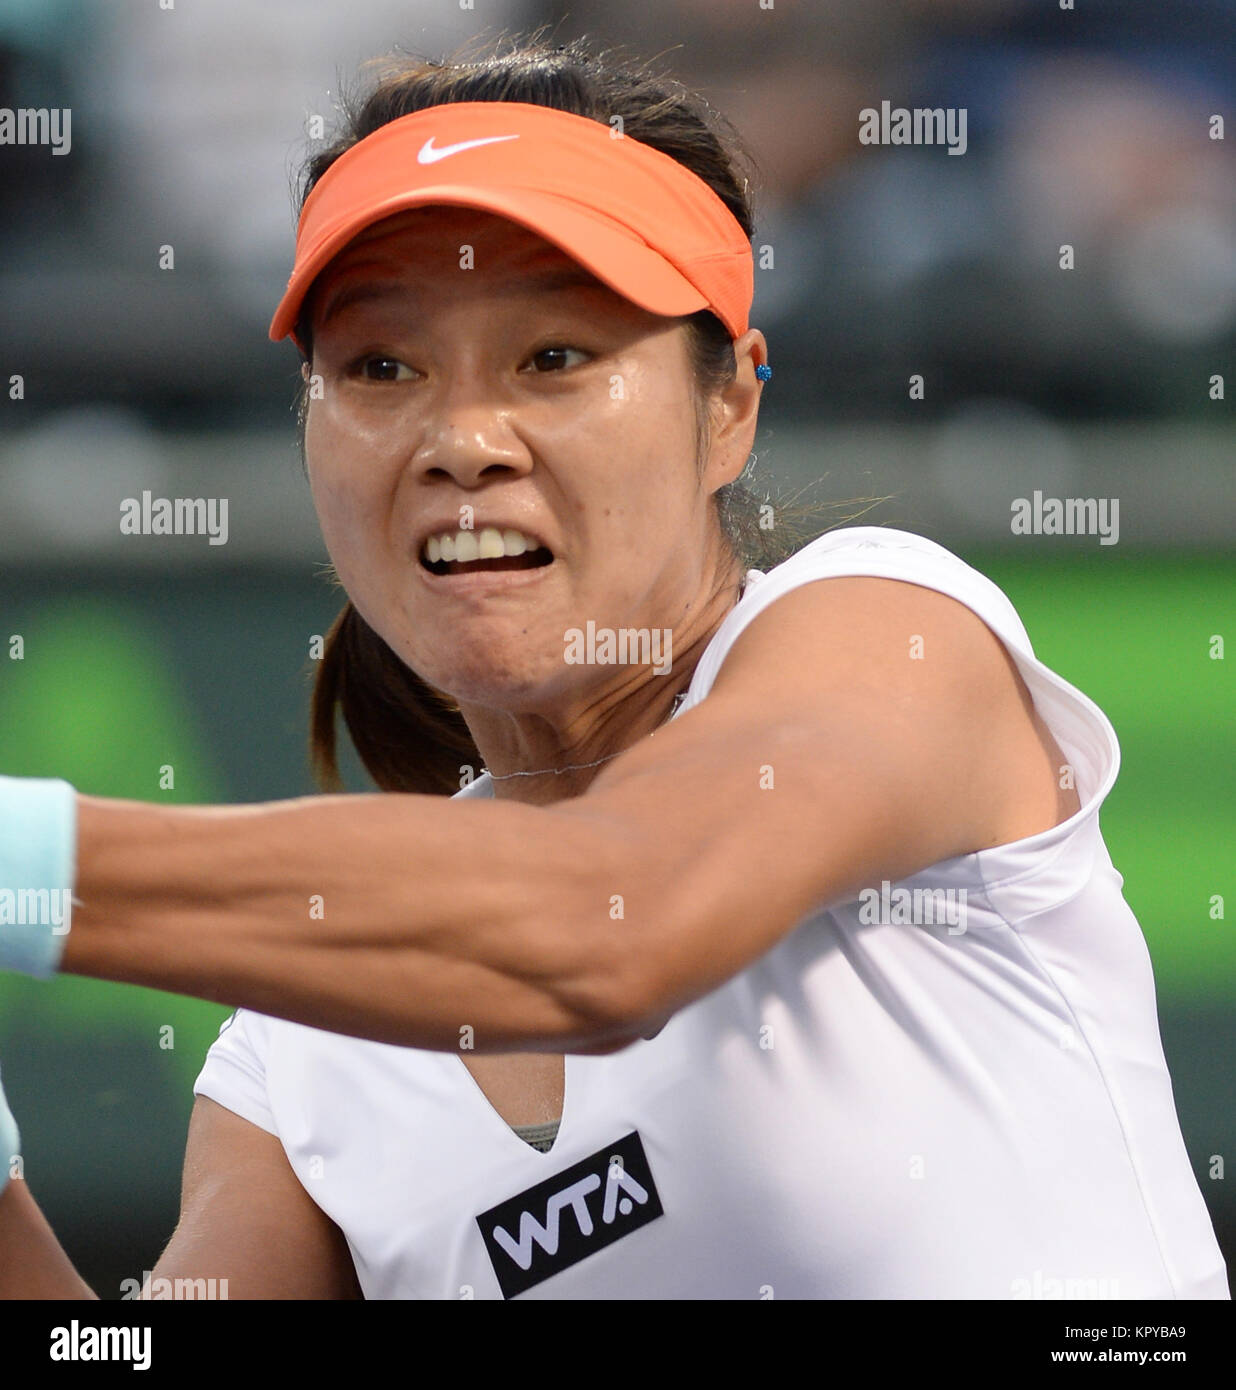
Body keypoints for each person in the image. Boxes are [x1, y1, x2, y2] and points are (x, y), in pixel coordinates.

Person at [0, 35, 1228, 1300]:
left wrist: (27, 862)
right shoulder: (296, 1055)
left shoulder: (890, 624)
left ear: (730, 408)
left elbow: (609, 925)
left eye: (554, 357)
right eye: (379, 367)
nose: (463, 439)